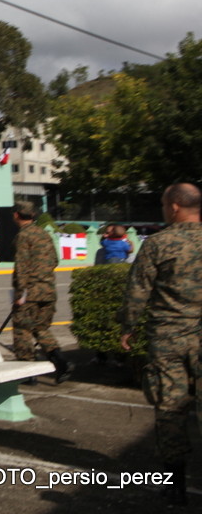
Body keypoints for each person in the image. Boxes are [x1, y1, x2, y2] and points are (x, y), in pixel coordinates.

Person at [119, 182, 202, 505]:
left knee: (170, 409)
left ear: (175, 207)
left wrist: (128, 327)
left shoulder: (158, 243)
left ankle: (176, 486)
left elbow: (137, 290)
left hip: (168, 339)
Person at [10, 202, 72, 384]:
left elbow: (22, 266)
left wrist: (21, 293)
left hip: (30, 292)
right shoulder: (44, 234)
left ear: (16, 215)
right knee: (40, 328)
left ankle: (27, 373)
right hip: (48, 290)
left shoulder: (23, 235)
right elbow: (54, 260)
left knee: (22, 332)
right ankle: (61, 362)